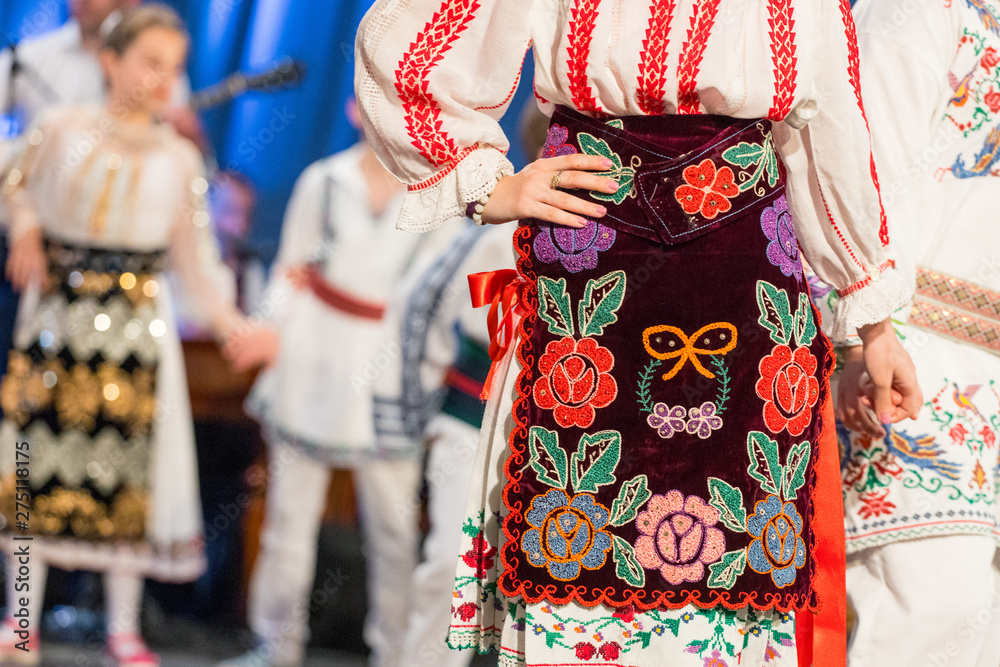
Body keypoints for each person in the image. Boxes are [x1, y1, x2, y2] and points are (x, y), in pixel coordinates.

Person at [355, 2, 923, 666]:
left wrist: (875, 322)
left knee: (733, 563)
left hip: (743, 279)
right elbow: (411, 47)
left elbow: (829, 133)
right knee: (575, 555)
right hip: (595, 255)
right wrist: (486, 183)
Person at [0, 6, 243, 665]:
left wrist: (230, 325)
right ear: (111, 61)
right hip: (56, 317)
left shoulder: (178, 155)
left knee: (127, 472)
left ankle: (123, 627)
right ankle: (19, 619)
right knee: (34, 470)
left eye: (175, 66)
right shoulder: (61, 127)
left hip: (136, 327)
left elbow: (196, 258)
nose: (164, 78)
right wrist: (24, 227)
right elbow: (13, 183)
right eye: (151, 62)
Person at [820, 0, 1000, 664]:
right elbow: (857, 167)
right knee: (928, 612)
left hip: (983, 376)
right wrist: (857, 336)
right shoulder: (928, 7)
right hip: (911, 355)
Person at [217, 100, 426, 667]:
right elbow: (292, 269)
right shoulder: (325, 181)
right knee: (289, 520)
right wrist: (267, 327)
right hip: (313, 355)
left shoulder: (440, 191)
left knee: (394, 530)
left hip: (388, 369)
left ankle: (398, 653)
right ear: (357, 109)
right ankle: (275, 645)